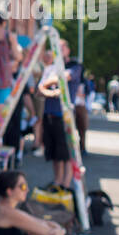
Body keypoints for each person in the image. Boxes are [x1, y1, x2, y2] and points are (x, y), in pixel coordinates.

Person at [38, 43, 73, 189]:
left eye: (62, 48)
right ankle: (57, 181)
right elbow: (40, 88)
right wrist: (51, 92)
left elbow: (64, 78)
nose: (57, 51)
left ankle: (66, 183)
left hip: (64, 117)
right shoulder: (50, 68)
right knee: (54, 153)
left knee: (66, 153)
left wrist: (49, 86)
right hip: (49, 115)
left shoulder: (73, 66)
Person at [63, 41, 89, 156]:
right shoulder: (60, 65)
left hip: (79, 103)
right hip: (69, 102)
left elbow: (85, 89)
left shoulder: (75, 67)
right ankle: (71, 148)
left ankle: (82, 147)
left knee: (82, 126)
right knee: (70, 126)